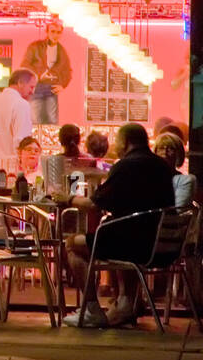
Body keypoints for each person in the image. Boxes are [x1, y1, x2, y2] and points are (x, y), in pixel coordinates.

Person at [55, 123, 175, 328]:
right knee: (117, 233)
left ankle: (91, 309)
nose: (116, 145)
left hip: (133, 244)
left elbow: (94, 204)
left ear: (126, 142)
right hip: (161, 246)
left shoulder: (126, 166)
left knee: (72, 243)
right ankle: (126, 304)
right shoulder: (162, 167)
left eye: (118, 141)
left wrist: (67, 199)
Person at [0, 68, 37, 178]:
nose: (32, 92)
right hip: (9, 171)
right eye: (31, 87)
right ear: (20, 83)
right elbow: (22, 141)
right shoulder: (21, 104)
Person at [21, 19, 72, 125]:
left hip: (51, 87)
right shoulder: (35, 47)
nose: (55, 35)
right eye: (53, 32)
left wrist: (63, 85)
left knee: (52, 121)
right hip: (36, 86)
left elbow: (68, 70)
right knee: (35, 119)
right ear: (47, 32)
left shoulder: (61, 51)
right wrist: (39, 75)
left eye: (58, 32)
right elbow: (25, 65)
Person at [154, 131, 197, 208]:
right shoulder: (148, 176)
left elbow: (178, 210)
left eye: (171, 148)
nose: (165, 152)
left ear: (179, 153)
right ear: (155, 152)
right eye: (161, 148)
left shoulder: (183, 181)